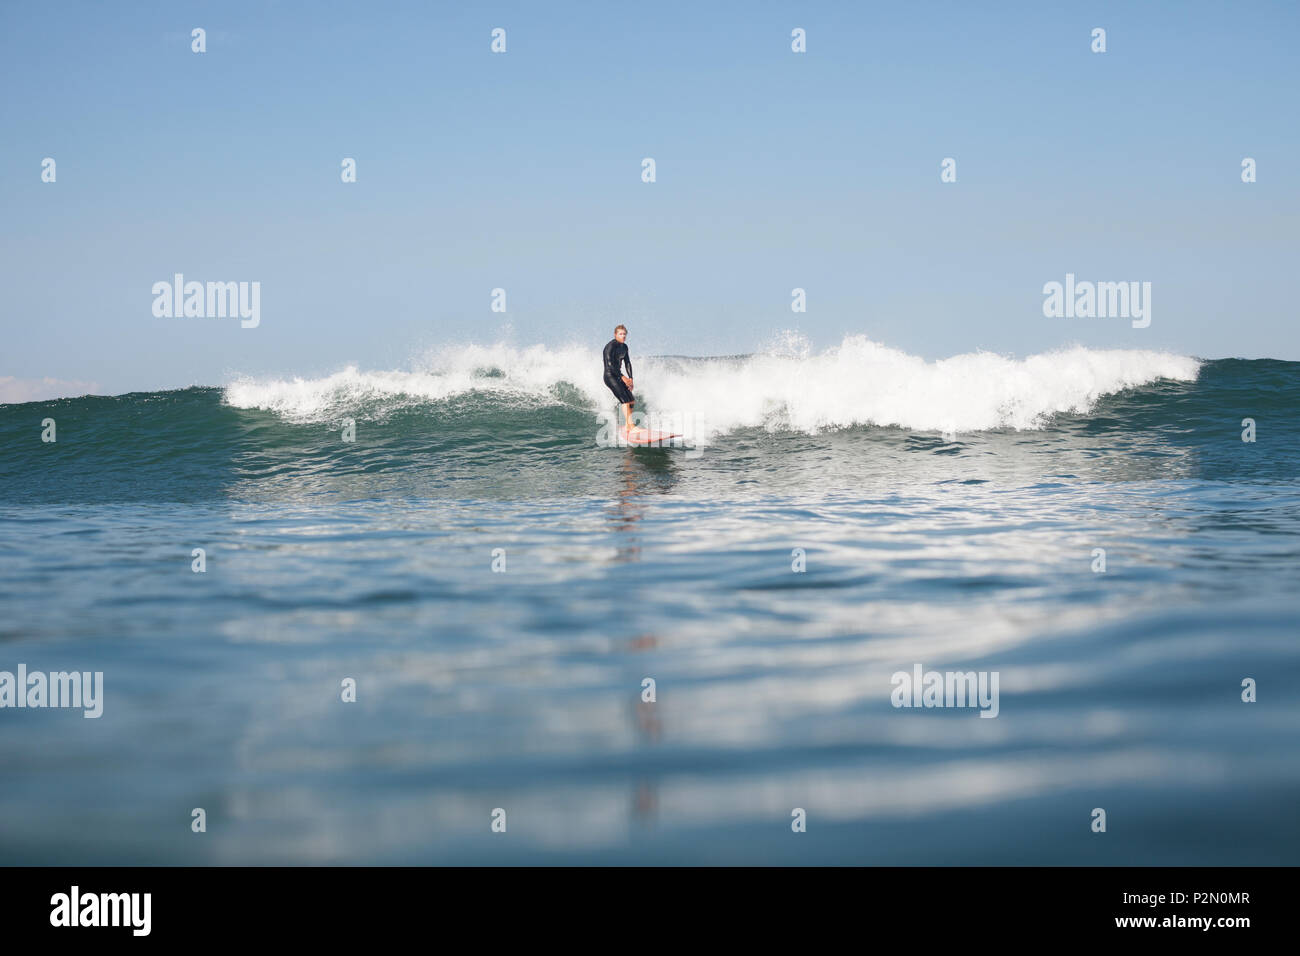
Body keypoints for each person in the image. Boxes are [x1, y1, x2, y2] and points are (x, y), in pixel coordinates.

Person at [603, 324, 637, 431]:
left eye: (624, 334)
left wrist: (630, 378)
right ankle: (631, 426)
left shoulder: (624, 347)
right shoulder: (610, 347)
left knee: (631, 401)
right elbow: (610, 366)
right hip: (610, 376)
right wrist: (623, 377)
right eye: (620, 334)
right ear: (615, 335)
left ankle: (628, 425)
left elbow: (627, 363)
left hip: (618, 376)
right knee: (625, 401)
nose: (623, 336)